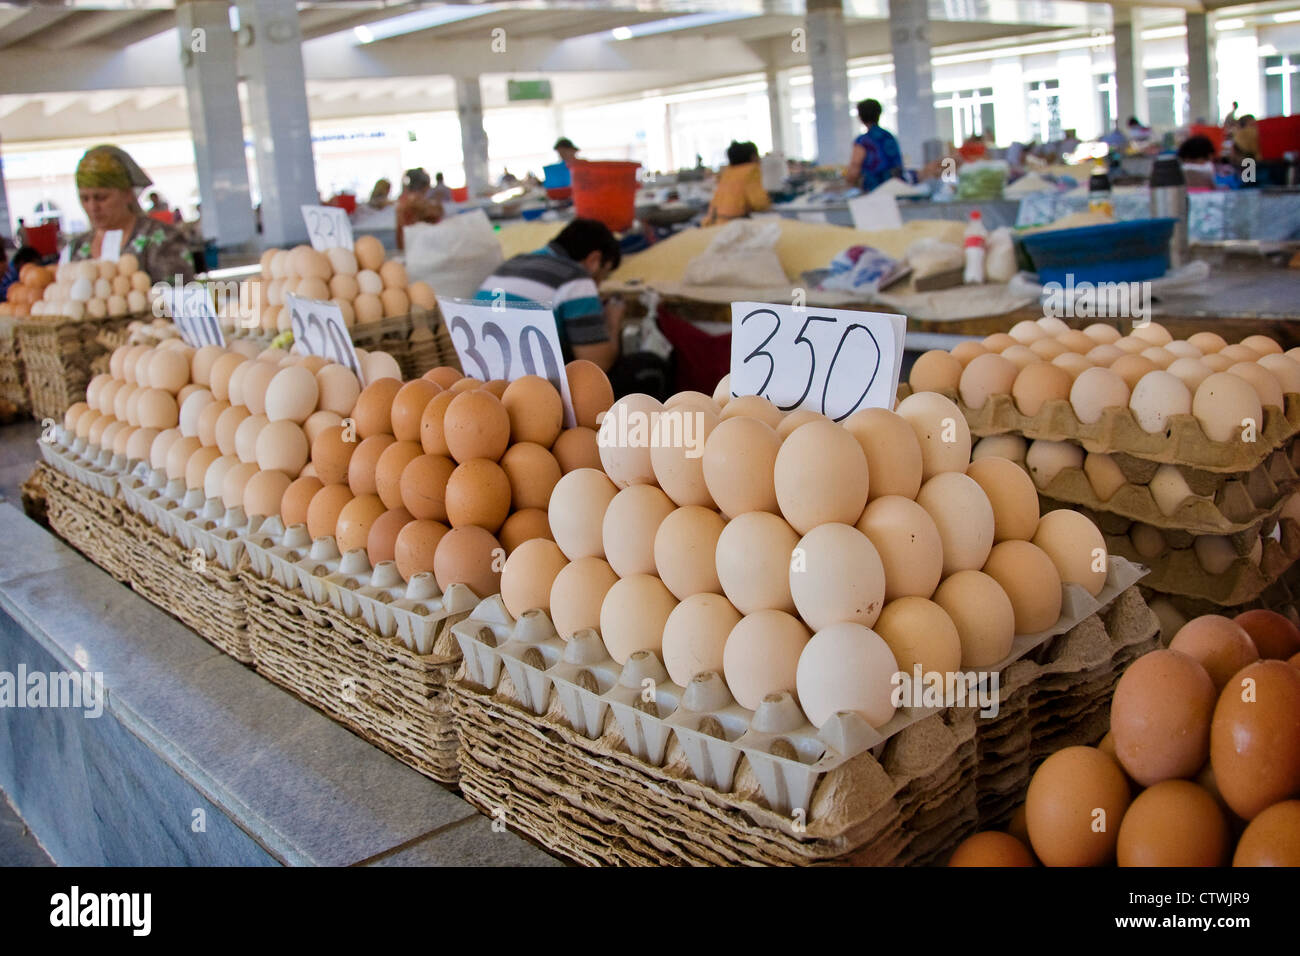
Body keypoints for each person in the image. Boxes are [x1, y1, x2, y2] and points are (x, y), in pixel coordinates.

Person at [474, 218, 623, 371]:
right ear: (594, 260)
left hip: (480, 374)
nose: (597, 286)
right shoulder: (576, 278)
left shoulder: (512, 263)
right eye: (603, 276)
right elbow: (597, 365)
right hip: (527, 383)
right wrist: (613, 321)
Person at [68, 144, 195, 282]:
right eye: (85, 198)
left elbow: (182, 297)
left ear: (128, 194)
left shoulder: (161, 239)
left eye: (101, 198)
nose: (92, 207)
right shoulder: (77, 248)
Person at [701, 141, 770, 226]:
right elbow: (760, 204)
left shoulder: (727, 172)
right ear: (753, 156)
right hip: (734, 223)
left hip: (713, 222)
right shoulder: (751, 171)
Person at [845, 98, 903, 192]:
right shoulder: (889, 136)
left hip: (874, 191)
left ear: (860, 117)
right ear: (879, 114)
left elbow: (854, 169)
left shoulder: (863, 141)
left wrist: (849, 183)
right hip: (895, 189)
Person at [394, 168, 443, 251]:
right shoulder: (422, 205)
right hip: (421, 251)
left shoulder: (402, 202)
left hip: (406, 249)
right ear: (425, 186)